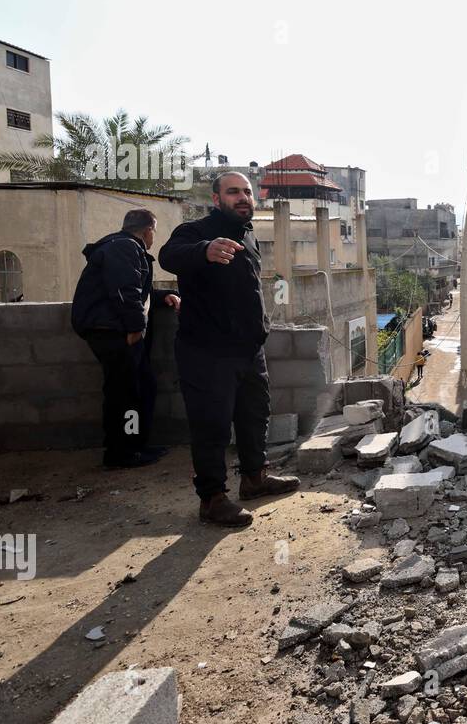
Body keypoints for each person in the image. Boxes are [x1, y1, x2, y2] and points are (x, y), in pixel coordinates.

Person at [159, 172, 299, 527]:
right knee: (212, 426)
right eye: (233, 192)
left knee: (254, 417)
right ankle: (212, 499)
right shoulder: (195, 232)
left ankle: (254, 479)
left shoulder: (248, 235)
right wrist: (204, 251)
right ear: (217, 198)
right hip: (207, 351)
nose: (242, 198)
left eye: (247, 192)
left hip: (249, 350)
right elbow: (168, 255)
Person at [71, 208, 179, 468]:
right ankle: (122, 452)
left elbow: (137, 288)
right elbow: (125, 290)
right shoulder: (125, 248)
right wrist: (133, 329)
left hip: (111, 329)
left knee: (138, 388)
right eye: (154, 231)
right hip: (113, 333)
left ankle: (134, 447)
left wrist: (162, 296)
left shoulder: (121, 246)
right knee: (126, 393)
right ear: (148, 230)